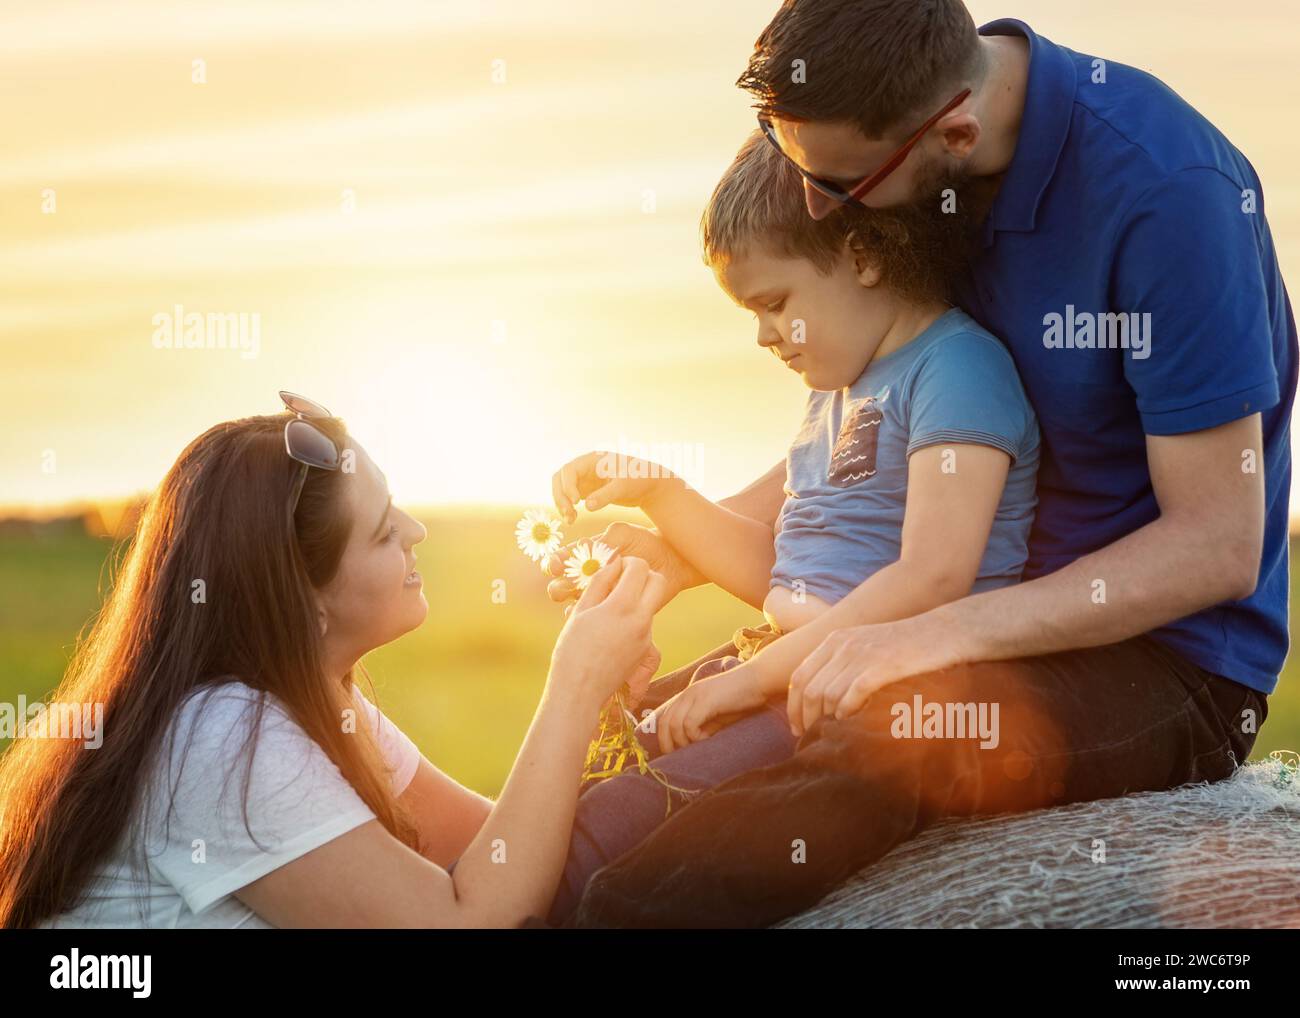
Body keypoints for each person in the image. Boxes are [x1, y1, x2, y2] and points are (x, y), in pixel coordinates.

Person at [547, 1, 1289, 927]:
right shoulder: (921, 174)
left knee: (893, 734)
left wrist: (928, 632)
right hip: (966, 602)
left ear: (954, 131)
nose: (821, 214)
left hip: (1164, 661)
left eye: (838, 188)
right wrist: (676, 548)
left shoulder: (1171, 197)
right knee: (645, 733)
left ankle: (612, 917)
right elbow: (878, 425)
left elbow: (1216, 545)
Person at [543, 128, 1039, 923]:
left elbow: (930, 580)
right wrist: (659, 493)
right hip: (780, 667)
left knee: (610, 839)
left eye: (774, 304)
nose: (763, 336)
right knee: (578, 779)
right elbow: (782, 575)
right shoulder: (836, 394)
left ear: (866, 256)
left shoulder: (959, 372)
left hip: (852, 695)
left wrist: (742, 685)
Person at [0, 392, 664, 928]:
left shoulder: (321, 705)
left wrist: (602, 695)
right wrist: (572, 684)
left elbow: (496, 852)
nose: (416, 531)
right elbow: (471, 923)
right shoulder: (222, 737)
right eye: (382, 532)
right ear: (305, 603)